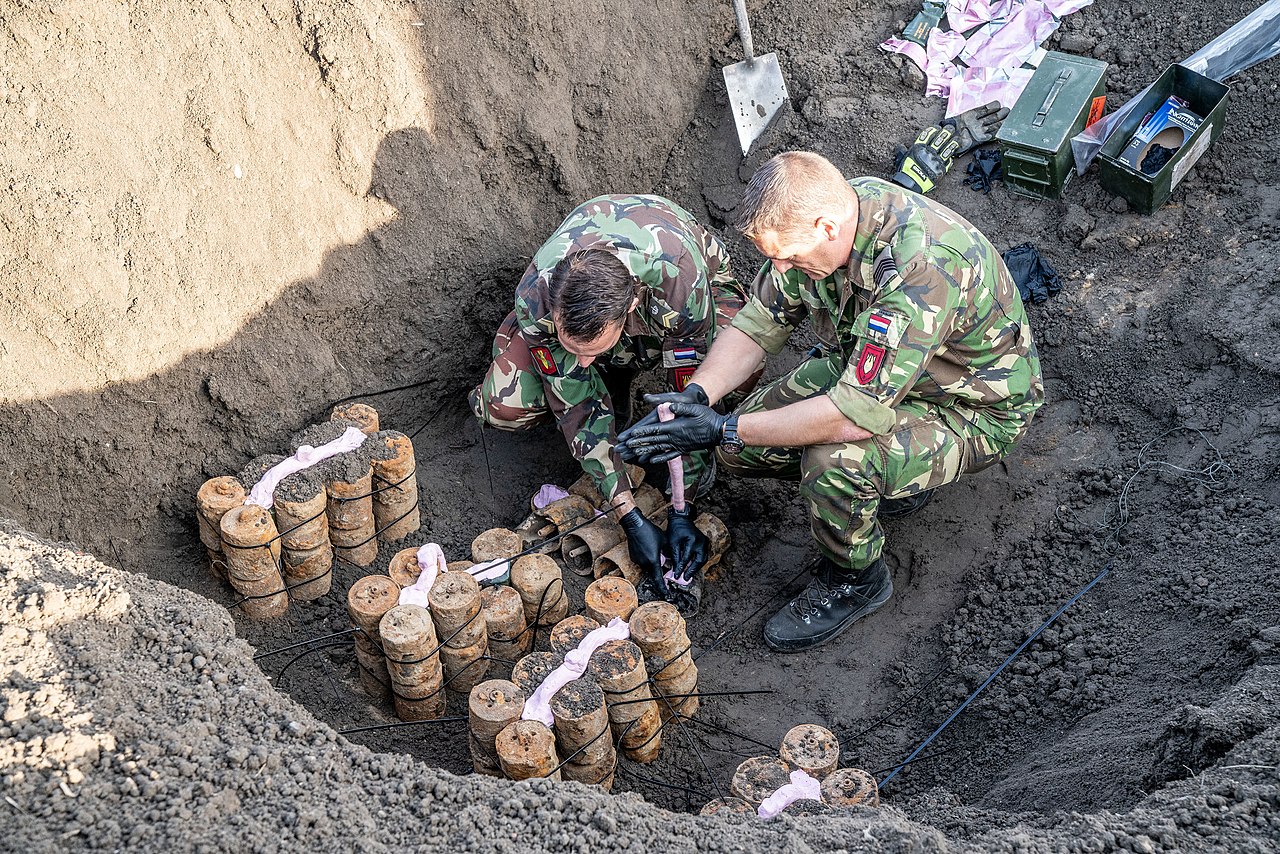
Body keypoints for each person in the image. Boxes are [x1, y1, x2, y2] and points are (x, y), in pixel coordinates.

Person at [617, 152, 1044, 652]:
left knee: (832, 460)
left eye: (790, 258)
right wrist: (699, 395)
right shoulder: (824, 220)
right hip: (878, 376)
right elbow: (758, 322)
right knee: (742, 444)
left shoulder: (920, 271)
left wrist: (719, 429)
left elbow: (848, 417)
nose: (783, 269)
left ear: (827, 228)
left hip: (969, 407)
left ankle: (856, 578)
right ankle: (893, 482)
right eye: (775, 257)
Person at [470, 194, 761, 598]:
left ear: (631, 309)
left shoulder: (677, 283)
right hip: (613, 311)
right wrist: (629, 515)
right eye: (574, 349)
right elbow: (575, 405)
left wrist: (682, 508)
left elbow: (690, 397)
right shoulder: (537, 297)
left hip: (693, 282)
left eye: (594, 351)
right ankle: (615, 376)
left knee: (739, 372)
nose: (582, 363)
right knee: (505, 405)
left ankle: (623, 368)